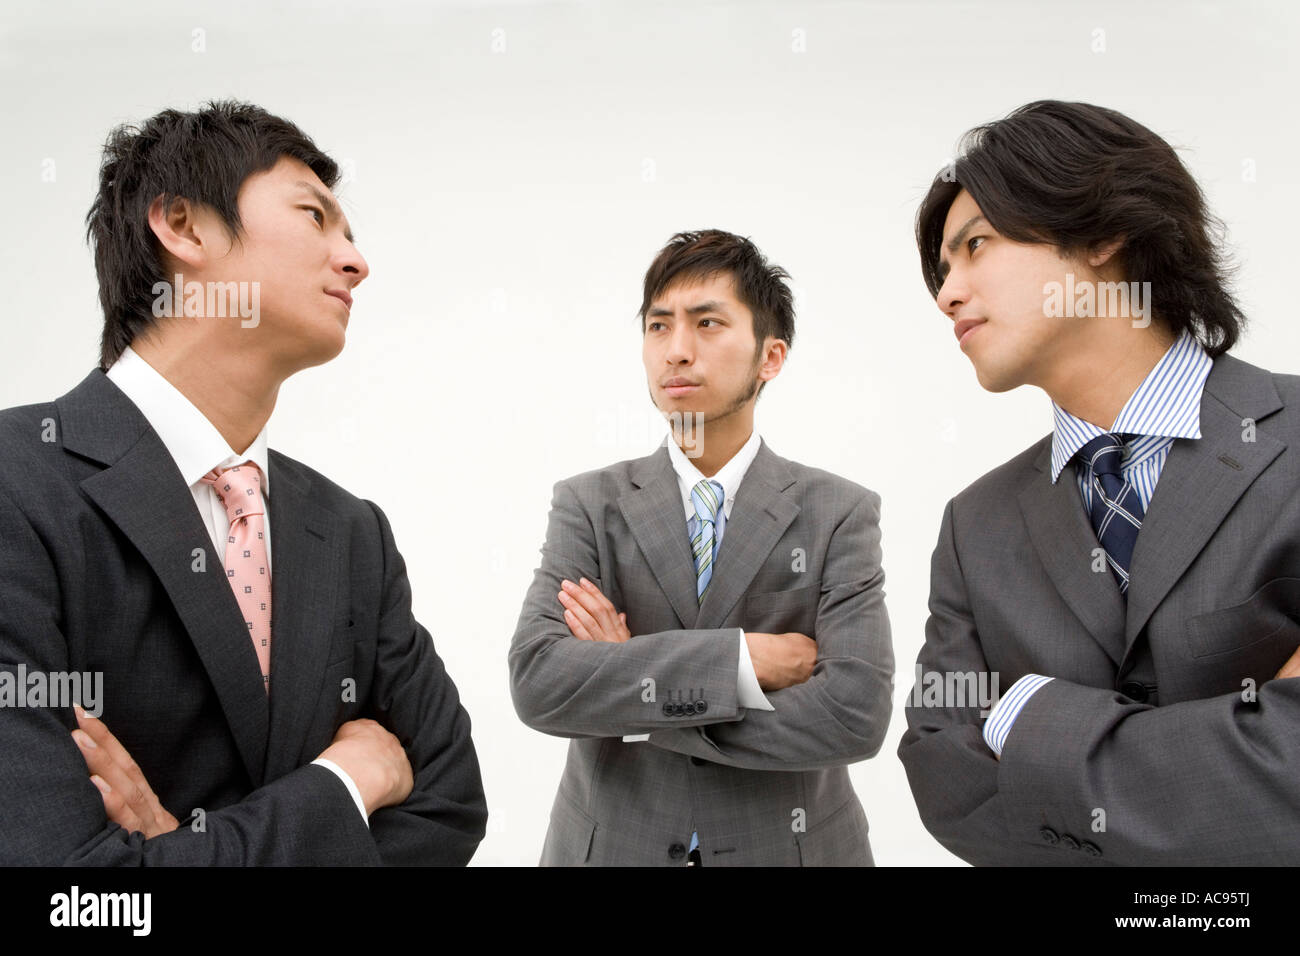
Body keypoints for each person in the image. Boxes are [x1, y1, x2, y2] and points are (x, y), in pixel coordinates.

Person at [0, 101, 487, 864]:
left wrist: (175, 852)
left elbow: (451, 807)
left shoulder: (351, 530)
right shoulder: (19, 482)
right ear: (185, 227)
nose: (356, 262)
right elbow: (69, 889)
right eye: (314, 216)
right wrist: (344, 783)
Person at [898, 100, 1300, 865]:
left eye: (976, 245)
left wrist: (1027, 717)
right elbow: (942, 776)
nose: (947, 293)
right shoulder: (974, 525)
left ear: (1103, 232)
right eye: (943, 270)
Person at [509, 229, 893, 866]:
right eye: (658, 327)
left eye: (707, 323)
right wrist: (740, 663)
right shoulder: (588, 503)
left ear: (771, 357)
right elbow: (540, 683)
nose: (677, 351)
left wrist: (631, 681)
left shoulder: (839, 512)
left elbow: (853, 716)